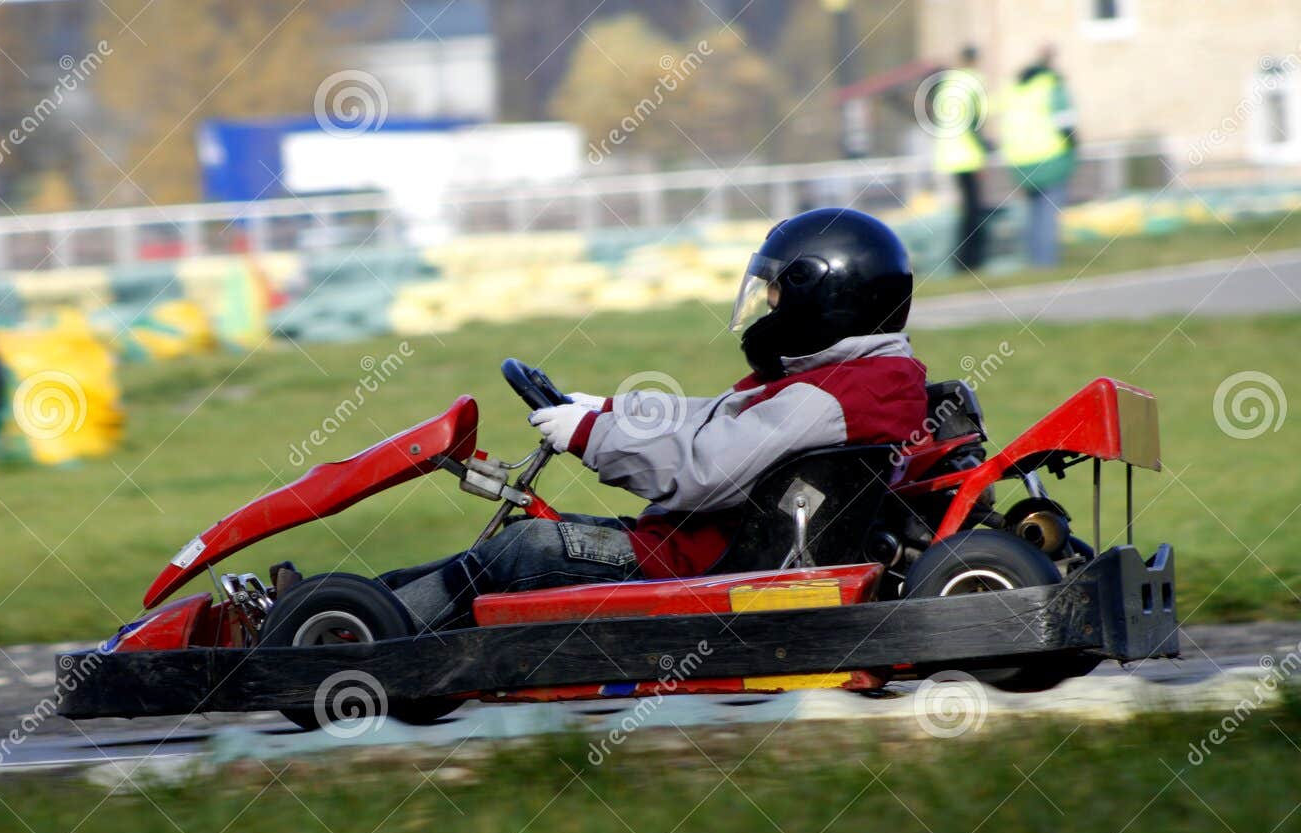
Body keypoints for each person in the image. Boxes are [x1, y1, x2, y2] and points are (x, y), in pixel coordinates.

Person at [378, 207, 929, 632]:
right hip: (702, 547)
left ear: (824, 297)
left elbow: (703, 470)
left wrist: (593, 437)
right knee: (527, 534)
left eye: (777, 292)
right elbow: (712, 418)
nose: (767, 305)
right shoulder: (846, 380)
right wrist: (607, 410)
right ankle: (358, 602)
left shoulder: (823, 398)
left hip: (706, 569)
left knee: (526, 549)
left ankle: (366, 637)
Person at [1003, 47, 1077, 268]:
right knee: (1047, 214)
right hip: (1051, 159)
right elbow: (1066, 124)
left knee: (1033, 214)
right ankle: (1046, 262)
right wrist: (1075, 147)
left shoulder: (1014, 91)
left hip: (1020, 163)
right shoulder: (1051, 87)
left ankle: (1033, 260)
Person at [930, 45, 993, 272]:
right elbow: (974, 122)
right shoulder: (973, 82)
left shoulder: (949, 83)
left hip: (949, 154)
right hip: (967, 156)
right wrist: (983, 152)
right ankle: (970, 260)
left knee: (967, 210)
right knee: (974, 211)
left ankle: (964, 260)